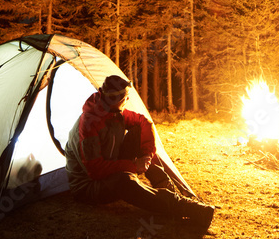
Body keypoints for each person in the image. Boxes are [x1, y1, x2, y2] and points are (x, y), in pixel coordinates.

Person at [65, 75, 215, 227]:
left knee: (138, 131)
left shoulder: (115, 112)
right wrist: (132, 166)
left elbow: (144, 122)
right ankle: (188, 208)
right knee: (124, 182)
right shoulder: (89, 124)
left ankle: (164, 185)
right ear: (117, 100)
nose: (128, 101)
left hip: (112, 168)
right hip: (89, 187)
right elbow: (95, 170)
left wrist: (147, 156)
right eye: (126, 97)